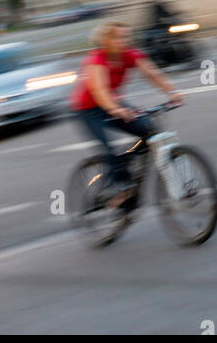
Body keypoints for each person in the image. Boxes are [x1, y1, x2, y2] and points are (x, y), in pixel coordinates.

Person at [71, 19, 183, 205]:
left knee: (149, 129)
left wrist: (172, 91)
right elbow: (100, 90)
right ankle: (118, 189)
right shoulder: (96, 59)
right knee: (108, 149)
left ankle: (128, 165)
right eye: (118, 37)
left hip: (113, 103)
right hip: (87, 110)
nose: (124, 40)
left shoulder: (129, 55)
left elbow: (152, 73)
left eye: (126, 37)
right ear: (105, 40)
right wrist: (116, 110)